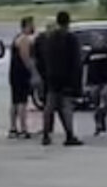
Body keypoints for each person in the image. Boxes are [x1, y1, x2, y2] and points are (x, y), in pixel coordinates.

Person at [36, 11, 85, 147]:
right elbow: (76, 62)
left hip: (52, 77)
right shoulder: (71, 39)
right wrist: (77, 83)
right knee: (66, 107)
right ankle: (69, 135)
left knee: (49, 106)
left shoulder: (50, 38)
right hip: (67, 77)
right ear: (68, 22)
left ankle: (46, 134)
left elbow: (44, 58)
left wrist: (46, 74)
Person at [7, 15, 36, 140]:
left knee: (14, 101)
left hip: (14, 73)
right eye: (31, 25)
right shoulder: (24, 39)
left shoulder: (17, 38)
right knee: (22, 102)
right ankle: (23, 129)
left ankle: (13, 128)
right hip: (21, 74)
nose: (33, 27)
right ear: (26, 26)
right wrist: (33, 72)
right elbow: (26, 58)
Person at [83, 31, 107, 137]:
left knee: (106, 103)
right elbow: (85, 68)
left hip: (106, 81)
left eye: (97, 39)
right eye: (93, 40)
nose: (95, 41)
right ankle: (98, 124)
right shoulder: (91, 53)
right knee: (96, 104)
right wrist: (84, 83)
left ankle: (102, 118)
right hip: (94, 82)